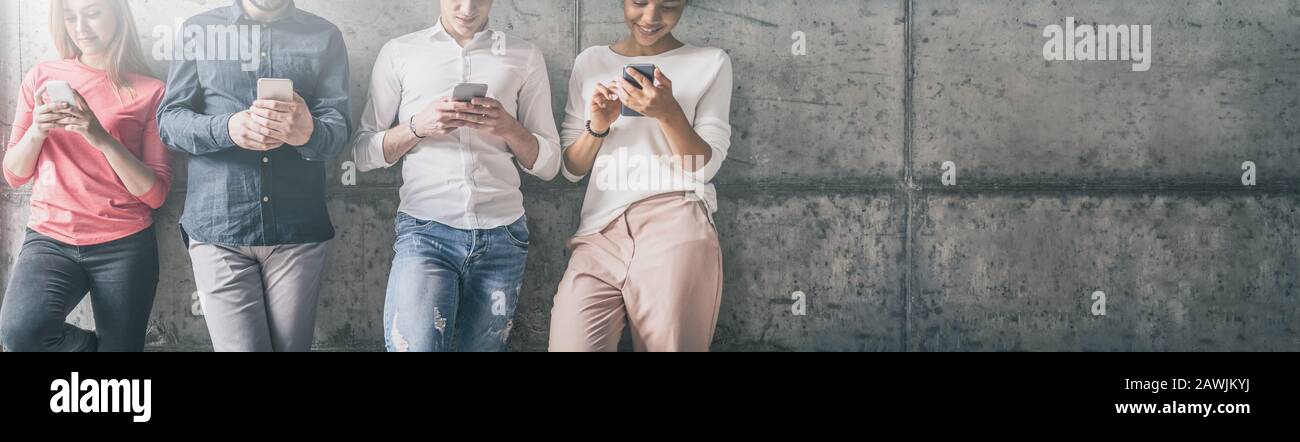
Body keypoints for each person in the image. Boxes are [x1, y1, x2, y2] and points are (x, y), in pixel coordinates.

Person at [353, 0, 562, 352]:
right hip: (425, 231)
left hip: (503, 236)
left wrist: (509, 128)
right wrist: (418, 127)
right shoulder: (400, 52)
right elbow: (362, 154)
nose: (467, 9)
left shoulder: (523, 55)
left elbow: (549, 163)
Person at [157, 0, 351, 352]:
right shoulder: (197, 30)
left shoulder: (325, 35)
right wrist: (228, 128)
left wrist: (309, 132)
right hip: (219, 229)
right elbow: (169, 122)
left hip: (297, 230)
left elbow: (339, 133)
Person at [549, 0, 732, 352]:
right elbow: (571, 170)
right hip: (599, 232)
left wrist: (668, 113)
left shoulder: (710, 62)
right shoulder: (590, 61)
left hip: (675, 221)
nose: (650, 18)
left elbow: (705, 166)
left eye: (668, 6)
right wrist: (597, 127)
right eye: (638, 2)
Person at [1, 0, 172, 352]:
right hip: (50, 238)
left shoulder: (151, 90)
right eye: (70, 16)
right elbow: (13, 176)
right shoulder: (42, 76)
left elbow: (156, 194)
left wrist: (100, 137)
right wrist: (36, 132)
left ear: (117, 14)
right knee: (20, 333)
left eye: (92, 13)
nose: (80, 26)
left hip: (124, 242)